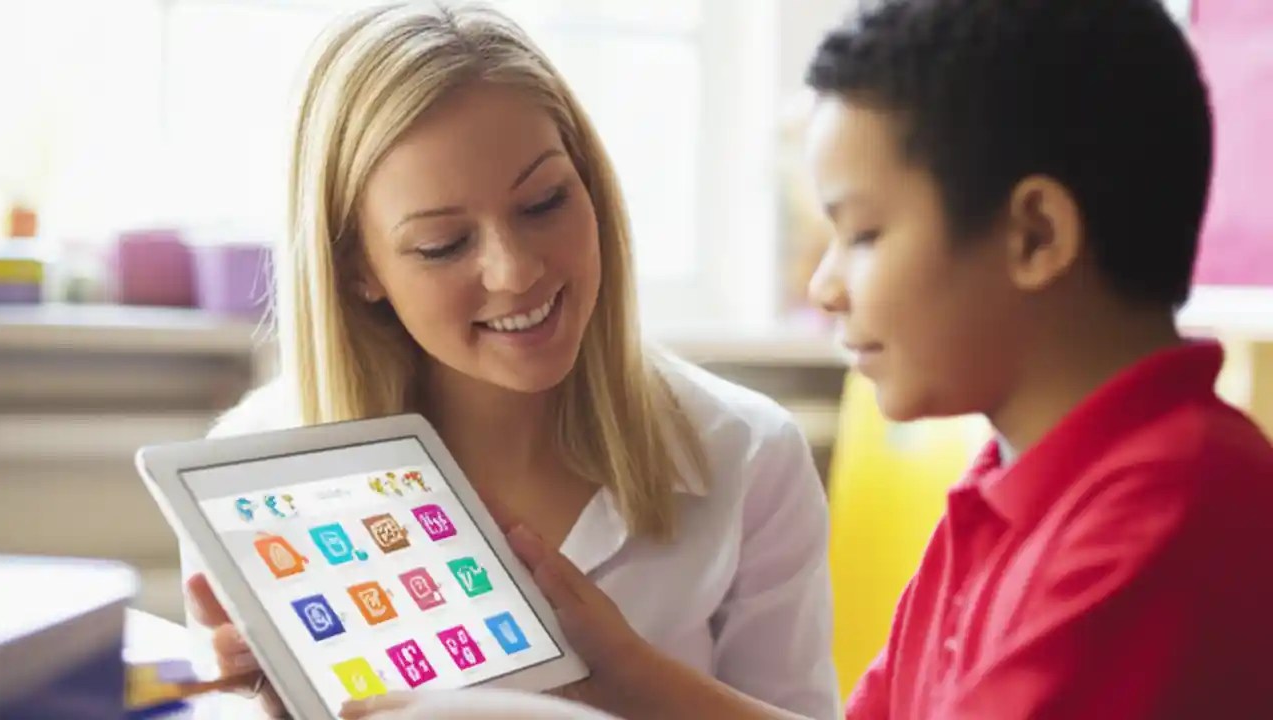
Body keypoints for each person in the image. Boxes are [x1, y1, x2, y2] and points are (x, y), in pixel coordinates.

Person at [345, 0, 1273, 718]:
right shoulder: (1016, 488)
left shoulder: (1159, 520)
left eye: (861, 232)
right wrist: (621, 671)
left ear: (1035, 234)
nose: (825, 286)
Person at [179, 2, 840, 718]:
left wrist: (631, 678)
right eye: (443, 245)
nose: (516, 271)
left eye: (546, 201)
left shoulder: (747, 458)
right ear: (356, 270)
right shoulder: (251, 473)